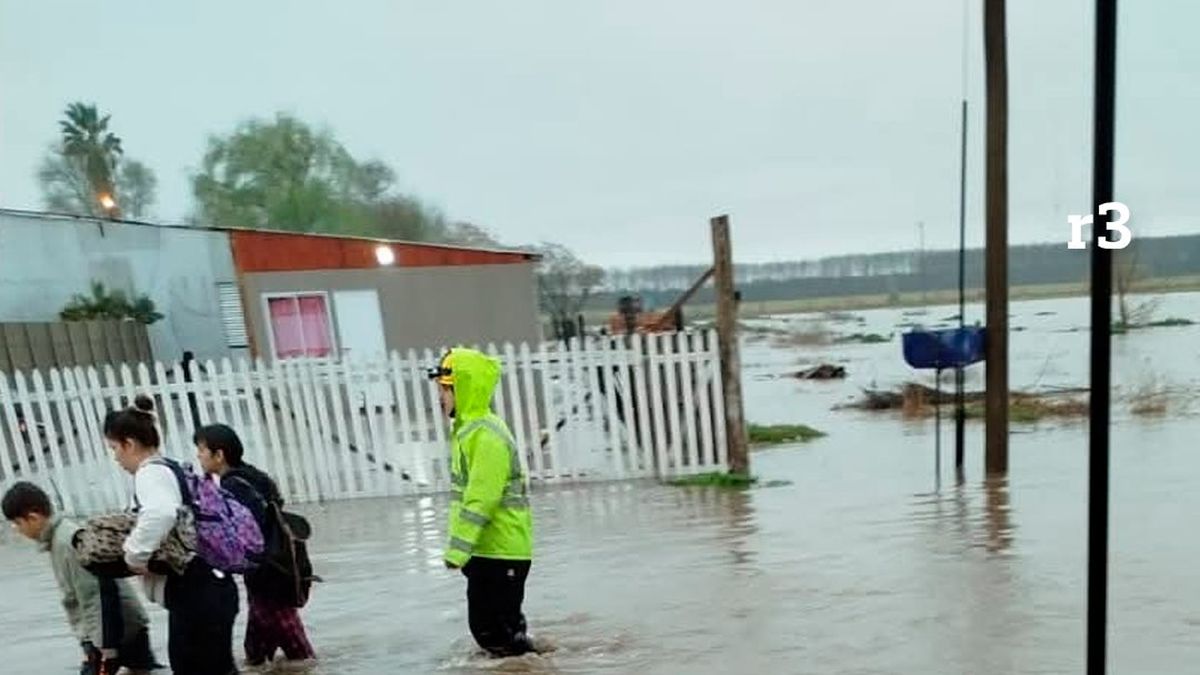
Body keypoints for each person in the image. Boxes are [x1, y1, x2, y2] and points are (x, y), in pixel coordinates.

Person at [104, 395, 239, 675]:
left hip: (196, 595)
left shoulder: (149, 473)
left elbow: (161, 513)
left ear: (129, 443)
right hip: (212, 589)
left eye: (114, 448)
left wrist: (133, 555)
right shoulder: (170, 467)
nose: (115, 457)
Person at [429, 348, 536, 657]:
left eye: (445, 390)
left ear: (463, 388)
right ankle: (528, 658)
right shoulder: (468, 431)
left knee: (491, 631)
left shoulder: (486, 435)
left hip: (500, 550)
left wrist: (457, 551)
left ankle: (532, 663)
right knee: (499, 631)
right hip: (489, 551)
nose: (440, 398)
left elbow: (482, 499)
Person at [3, 481, 159, 675]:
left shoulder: (66, 543)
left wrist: (103, 646)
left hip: (111, 633)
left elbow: (95, 595)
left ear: (33, 518)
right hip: (127, 624)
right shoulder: (63, 534)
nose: (16, 530)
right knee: (140, 671)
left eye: (17, 523)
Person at [194, 423, 317, 670]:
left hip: (266, 572)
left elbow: (247, 532)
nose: (198, 456)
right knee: (258, 646)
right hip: (280, 564)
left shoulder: (232, 487)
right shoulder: (253, 475)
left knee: (296, 647)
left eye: (202, 450)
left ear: (219, 455)